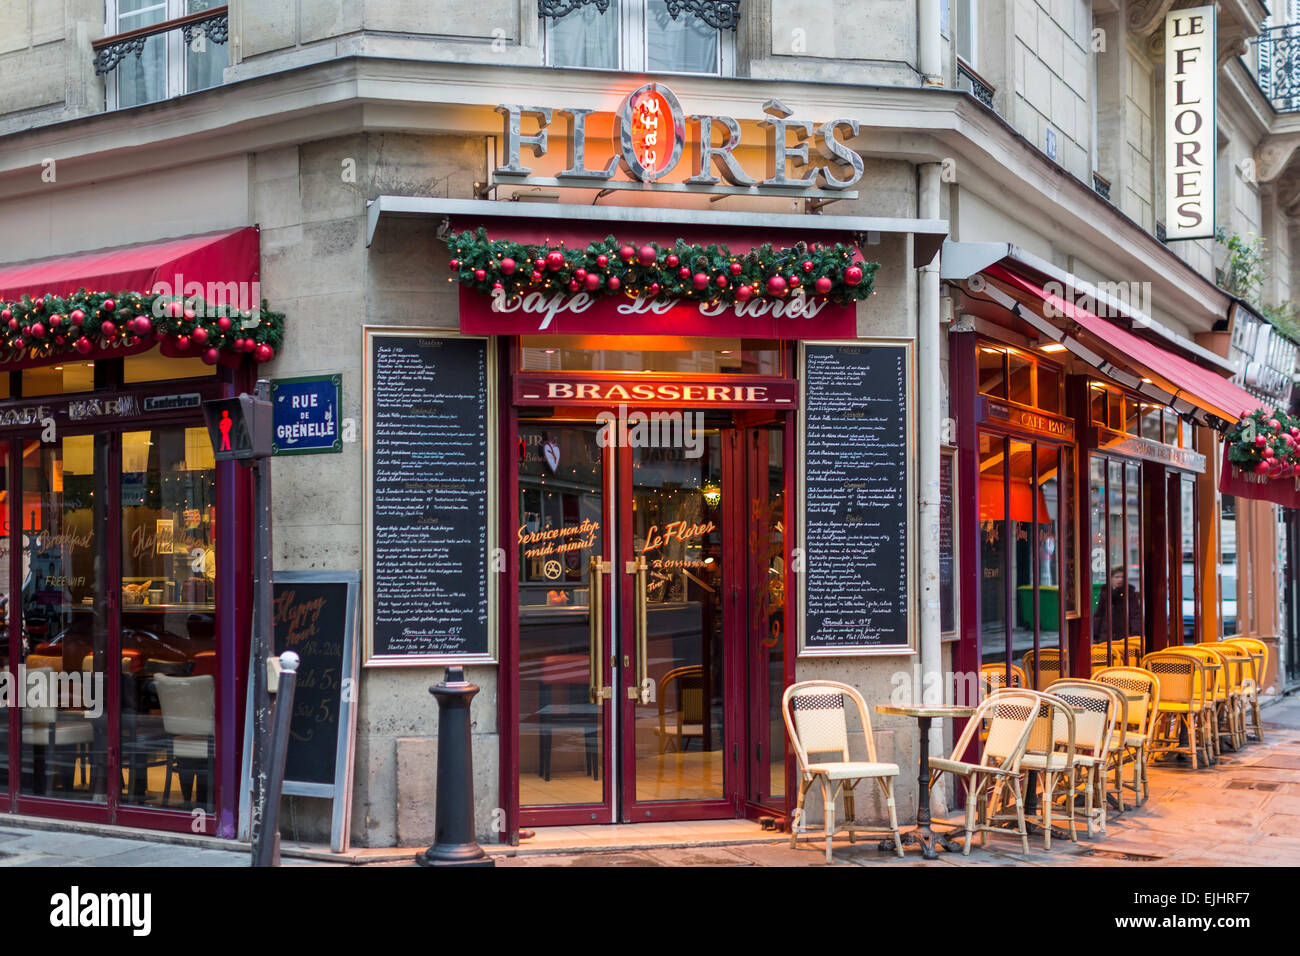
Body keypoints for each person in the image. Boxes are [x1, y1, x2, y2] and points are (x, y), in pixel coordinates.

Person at [1093, 565, 1141, 642]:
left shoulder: (1130, 593)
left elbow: (1135, 615)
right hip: (1106, 634)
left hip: (1124, 634)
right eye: (1117, 577)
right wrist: (1095, 634)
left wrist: (1136, 633)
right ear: (1111, 578)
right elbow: (1099, 614)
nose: (1120, 579)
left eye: (1122, 577)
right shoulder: (1105, 592)